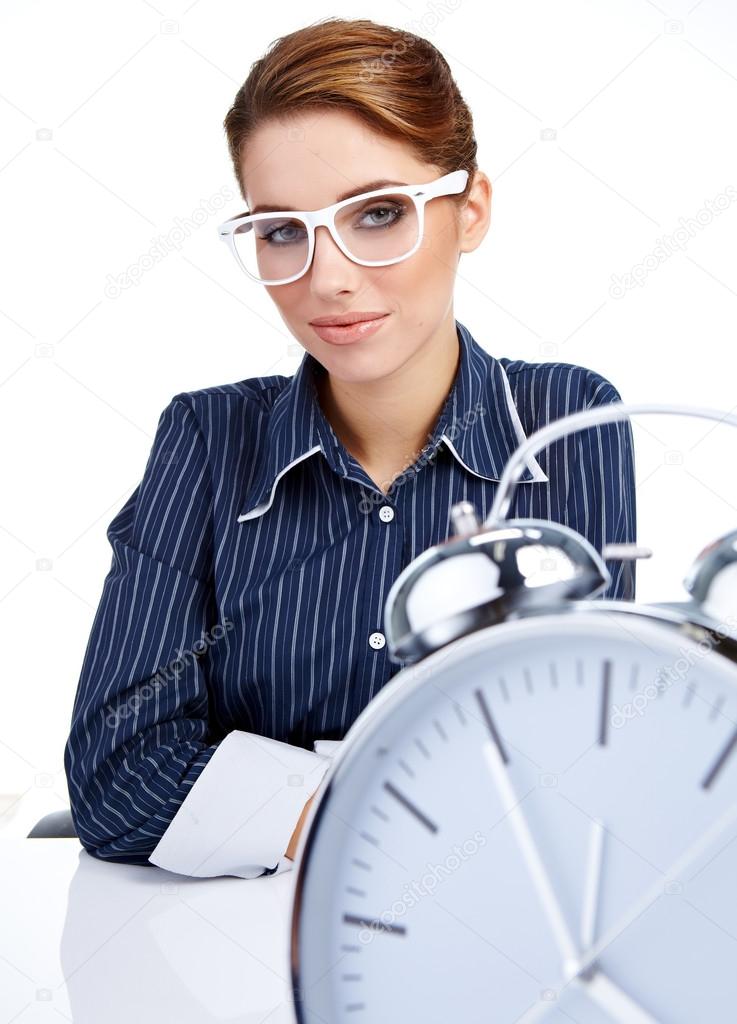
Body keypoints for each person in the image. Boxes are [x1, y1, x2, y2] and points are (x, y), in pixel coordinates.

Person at [63, 16, 637, 880]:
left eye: (378, 214)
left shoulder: (569, 421)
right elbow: (117, 776)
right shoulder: (207, 440)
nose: (326, 277)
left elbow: (577, 765)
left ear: (469, 209)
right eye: (282, 230)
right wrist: (416, 809)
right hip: (233, 966)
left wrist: (257, 802)